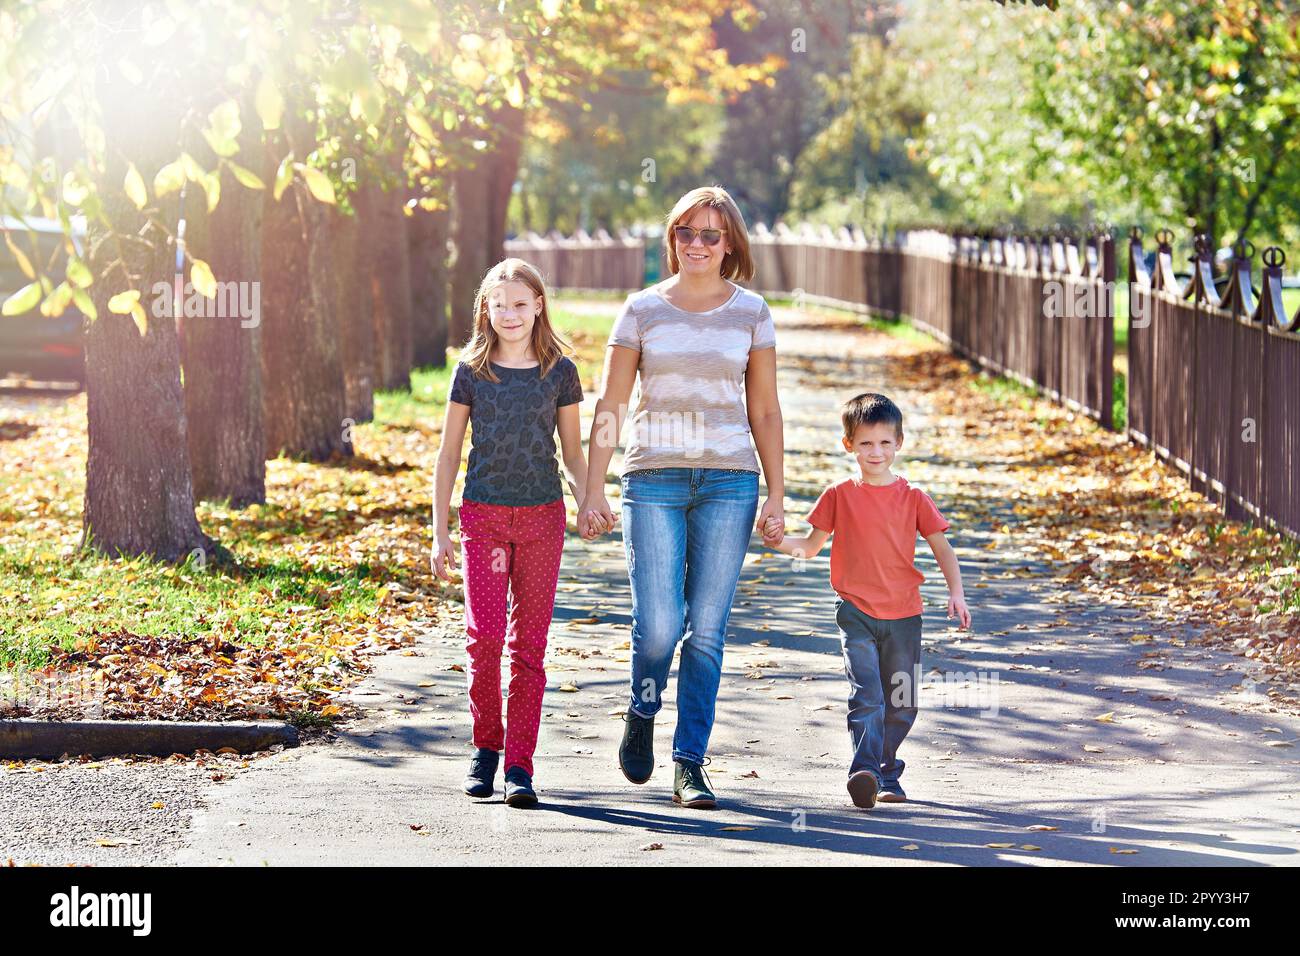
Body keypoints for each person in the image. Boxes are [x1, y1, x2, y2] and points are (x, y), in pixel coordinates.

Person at [579, 185, 785, 810]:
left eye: (710, 235)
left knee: (706, 632)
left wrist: (777, 493)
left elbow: (766, 410)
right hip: (653, 481)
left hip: (730, 481)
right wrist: (592, 487)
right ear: (672, 240)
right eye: (686, 234)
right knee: (661, 625)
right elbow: (612, 405)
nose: (697, 245)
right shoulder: (641, 309)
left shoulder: (751, 313)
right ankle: (642, 707)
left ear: (730, 244)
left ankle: (689, 762)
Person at [431, 258, 588, 808]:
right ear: (485, 309)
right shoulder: (471, 371)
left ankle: (520, 764)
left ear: (539, 305)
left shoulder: (559, 372)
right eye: (499, 305)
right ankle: (486, 749)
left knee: (529, 647)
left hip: (543, 518)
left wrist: (590, 496)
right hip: (484, 519)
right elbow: (449, 452)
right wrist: (439, 529)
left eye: (520, 304)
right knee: (486, 638)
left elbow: (572, 453)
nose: (510, 315)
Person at [769, 392, 971, 809]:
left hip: (905, 615)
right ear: (849, 445)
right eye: (865, 443)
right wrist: (775, 541)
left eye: (884, 443)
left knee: (902, 701)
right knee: (867, 694)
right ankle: (864, 770)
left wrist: (956, 592)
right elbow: (809, 548)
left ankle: (885, 771)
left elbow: (941, 547)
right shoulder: (838, 495)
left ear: (899, 443)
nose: (875, 452)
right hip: (856, 611)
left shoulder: (913, 497)